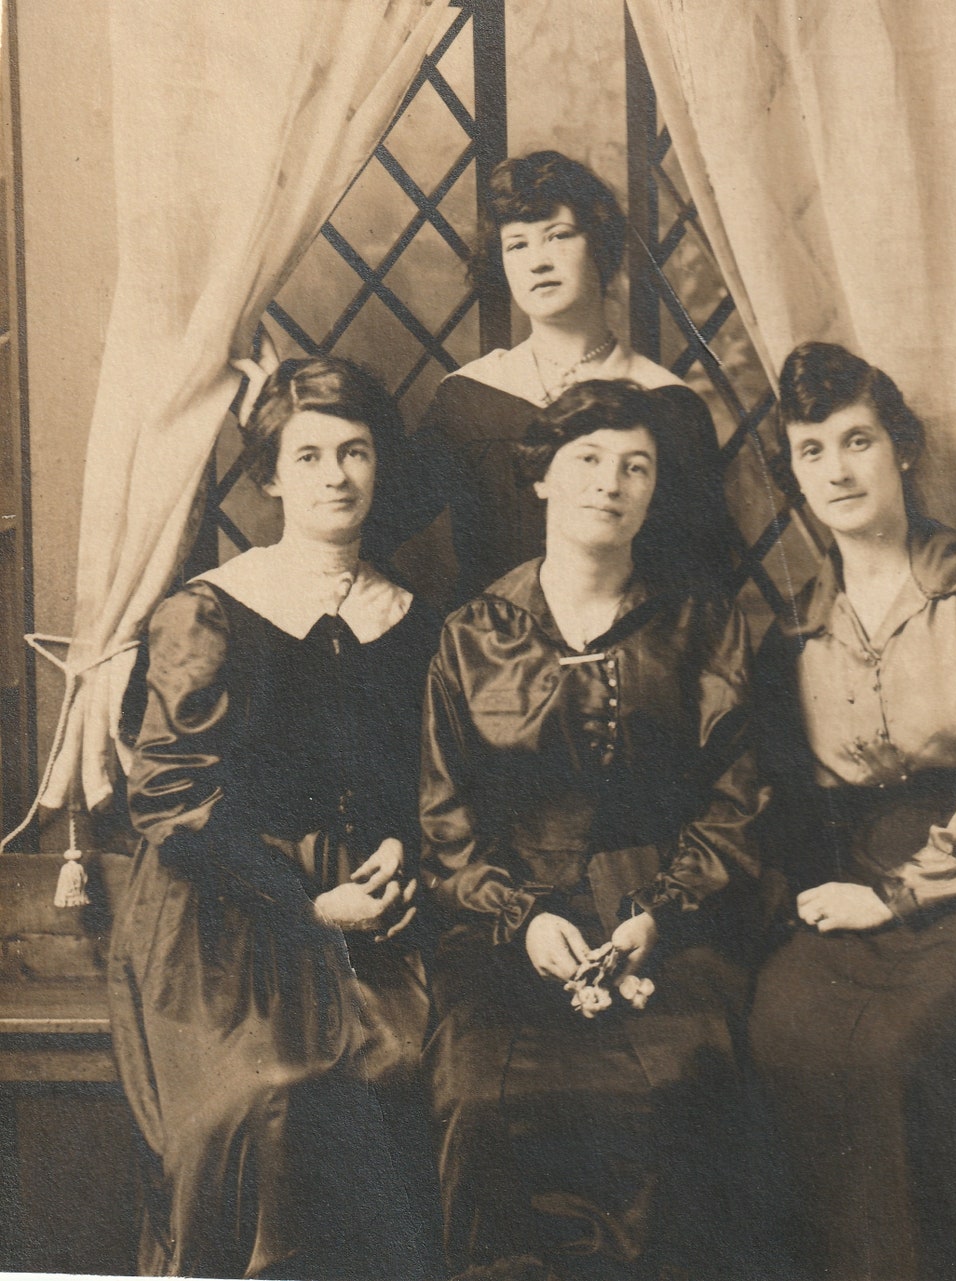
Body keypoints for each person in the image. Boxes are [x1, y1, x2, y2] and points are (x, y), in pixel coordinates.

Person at [419, 379, 772, 1280]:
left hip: (669, 916)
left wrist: (660, 910)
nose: (609, 483)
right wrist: (525, 914)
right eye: (586, 460)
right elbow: (448, 824)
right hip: (505, 923)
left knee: (680, 1084)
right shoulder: (471, 634)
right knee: (475, 1093)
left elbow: (730, 806)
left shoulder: (701, 622)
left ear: (656, 491)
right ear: (539, 477)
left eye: (636, 466)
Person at [109, 357, 445, 1279]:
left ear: (379, 466)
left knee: (414, 1068)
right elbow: (169, 797)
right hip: (219, 915)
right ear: (270, 473)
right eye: (309, 455)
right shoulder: (212, 610)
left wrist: (398, 855)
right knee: (266, 1102)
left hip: (372, 917)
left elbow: (429, 780)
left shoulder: (415, 618)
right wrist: (305, 899)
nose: (335, 474)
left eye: (355, 451)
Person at [748, 342, 956, 1281]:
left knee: (910, 1040)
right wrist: (836, 890)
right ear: (794, 475)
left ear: (901, 449)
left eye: (857, 440)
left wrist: (894, 897)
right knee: (788, 1019)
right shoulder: (801, 631)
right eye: (812, 451)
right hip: (856, 873)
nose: (838, 469)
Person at [397, 149, 729, 606]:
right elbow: (379, 520)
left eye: (558, 236)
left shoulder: (670, 404)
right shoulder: (468, 401)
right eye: (517, 244)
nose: (538, 262)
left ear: (599, 246)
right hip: (495, 662)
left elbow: (703, 582)